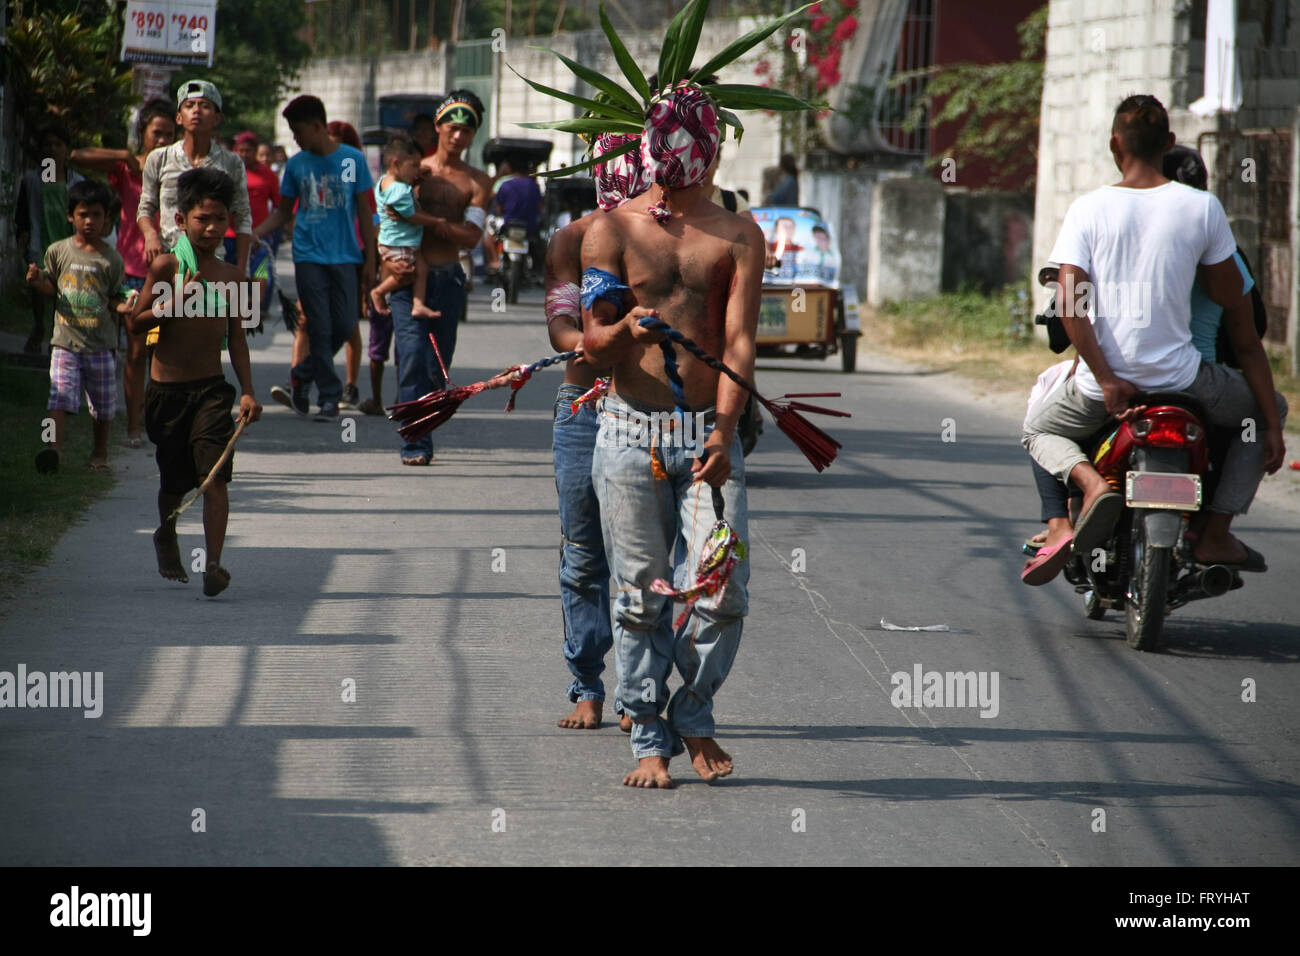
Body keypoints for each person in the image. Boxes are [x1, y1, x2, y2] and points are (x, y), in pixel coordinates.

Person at [582, 83, 765, 789]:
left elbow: (741, 341)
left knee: (723, 591)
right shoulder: (613, 230)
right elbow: (591, 347)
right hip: (628, 431)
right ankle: (648, 733)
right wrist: (622, 329)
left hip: (707, 436)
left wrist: (724, 427)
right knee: (639, 595)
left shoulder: (738, 233)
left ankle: (692, 710)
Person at [1022, 95, 1287, 573]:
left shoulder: (1088, 209)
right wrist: (1271, 426)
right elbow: (1234, 305)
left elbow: (1070, 307)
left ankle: (1083, 495)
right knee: (1271, 411)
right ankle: (1217, 532)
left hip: (1103, 387)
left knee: (1039, 426)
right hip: (1183, 382)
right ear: (1168, 142)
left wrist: (1106, 379)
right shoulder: (1202, 208)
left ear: (1113, 144)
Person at [544, 132, 652, 733]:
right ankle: (586, 684)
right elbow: (560, 327)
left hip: (651, 411)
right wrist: (598, 340)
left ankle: (643, 692)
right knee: (583, 554)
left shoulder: (675, 234)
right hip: (584, 406)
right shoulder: (570, 240)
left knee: (646, 559)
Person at [128, 167, 262, 597]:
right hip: (166, 393)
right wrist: (175, 302)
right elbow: (136, 324)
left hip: (211, 390)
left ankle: (214, 565)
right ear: (181, 220)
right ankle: (166, 535)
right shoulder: (167, 267)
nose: (211, 227)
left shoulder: (235, 278)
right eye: (202, 218)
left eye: (219, 218)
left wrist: (249, 392)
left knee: (215, 477)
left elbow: (238, 338)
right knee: (174, 483)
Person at [254, 95, 376, 421]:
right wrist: (255, 233)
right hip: (308, 255)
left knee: (347, 323)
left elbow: (365, 211)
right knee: (320, 327)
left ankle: (301, 374)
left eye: (298, 131)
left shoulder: (352, 160)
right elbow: (282, 213)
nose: (295, 138)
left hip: (346, 256)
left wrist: (371, 261)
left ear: (318, 126)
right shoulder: (296, 165)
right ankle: (329, 397)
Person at [388, 90, 492, 465]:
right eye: (452, 127)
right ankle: (415, 442)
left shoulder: (479, 182)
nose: (458, 136)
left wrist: (433, 223)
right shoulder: (415, 170)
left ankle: (423, 426)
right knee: (412, 356)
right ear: (437, 127)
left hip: (448, 279)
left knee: (436, 365)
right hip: (406, 278)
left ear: (474, 135)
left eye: (467, 130)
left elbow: (473, 236)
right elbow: (387, 210)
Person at [69, 99, 177, 447]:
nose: (162, 140)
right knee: (135, 351)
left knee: (164, 351)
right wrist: (124, 155)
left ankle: (156, 419)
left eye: (169, 134)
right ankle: (133, 427)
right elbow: (76, 157)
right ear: (143, 133)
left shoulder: (180, 170)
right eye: (156, 133)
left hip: (172, 274)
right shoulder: (128, 170)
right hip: (133, 272)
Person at [26, 179, 127, 474]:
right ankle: (51, 449)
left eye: (96, 215)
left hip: (100, 344)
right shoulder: (59, 251)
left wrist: (125, 306)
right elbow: (52, 287)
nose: (90, 221)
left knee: (104, 406)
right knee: (59, 396)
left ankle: (99, 452)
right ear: (71, 215)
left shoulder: (111, 259)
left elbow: (115, 298)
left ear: (106, 218)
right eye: (83, 214)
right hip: (65, 342)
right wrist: (37, 282)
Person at [137, 80, 252, 278]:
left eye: (205, 106)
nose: (196, 111)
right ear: (179, 118)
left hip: (213, 263)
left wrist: (241, 272)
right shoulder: (159, 158)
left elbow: (242, 217)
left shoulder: (231, 163)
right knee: (164, 309)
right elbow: (145, 207)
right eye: (190, 105)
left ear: (217, 118)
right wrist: (150, 235)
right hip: (169, 261)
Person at [17, 125, 86, 354]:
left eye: (58, 144)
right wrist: (23, 236)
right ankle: (38, 328)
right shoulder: (33, 180)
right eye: (48, 145)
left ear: (67, 150)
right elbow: (23, 213)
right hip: (40, 242)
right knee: (37, 286)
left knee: (64, 291)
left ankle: (59, 337)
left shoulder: (76, 182)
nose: (53, 149)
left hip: (67, 244)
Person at [369, 137, 435, 319]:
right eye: (414, 166)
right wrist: (437, 222)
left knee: (421, 268)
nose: (417, 171)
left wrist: (416, 179)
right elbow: (412, 216)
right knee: (406, 273)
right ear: (396, 163)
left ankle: (418, 304)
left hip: (394, 240)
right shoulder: (399, 190)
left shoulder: (384, 181)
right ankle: (379, 292)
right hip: (399, 243)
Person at [228, 130, 282, 324]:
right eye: (241, 150)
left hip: (259, 235)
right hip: (230, 234)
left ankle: (257, 309)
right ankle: (230, 308)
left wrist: (259, 232)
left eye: (249, 151)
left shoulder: (268, 175)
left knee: (261, 270)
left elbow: (279, 207)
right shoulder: (228, 170)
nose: (244, 154)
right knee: (230, 271)